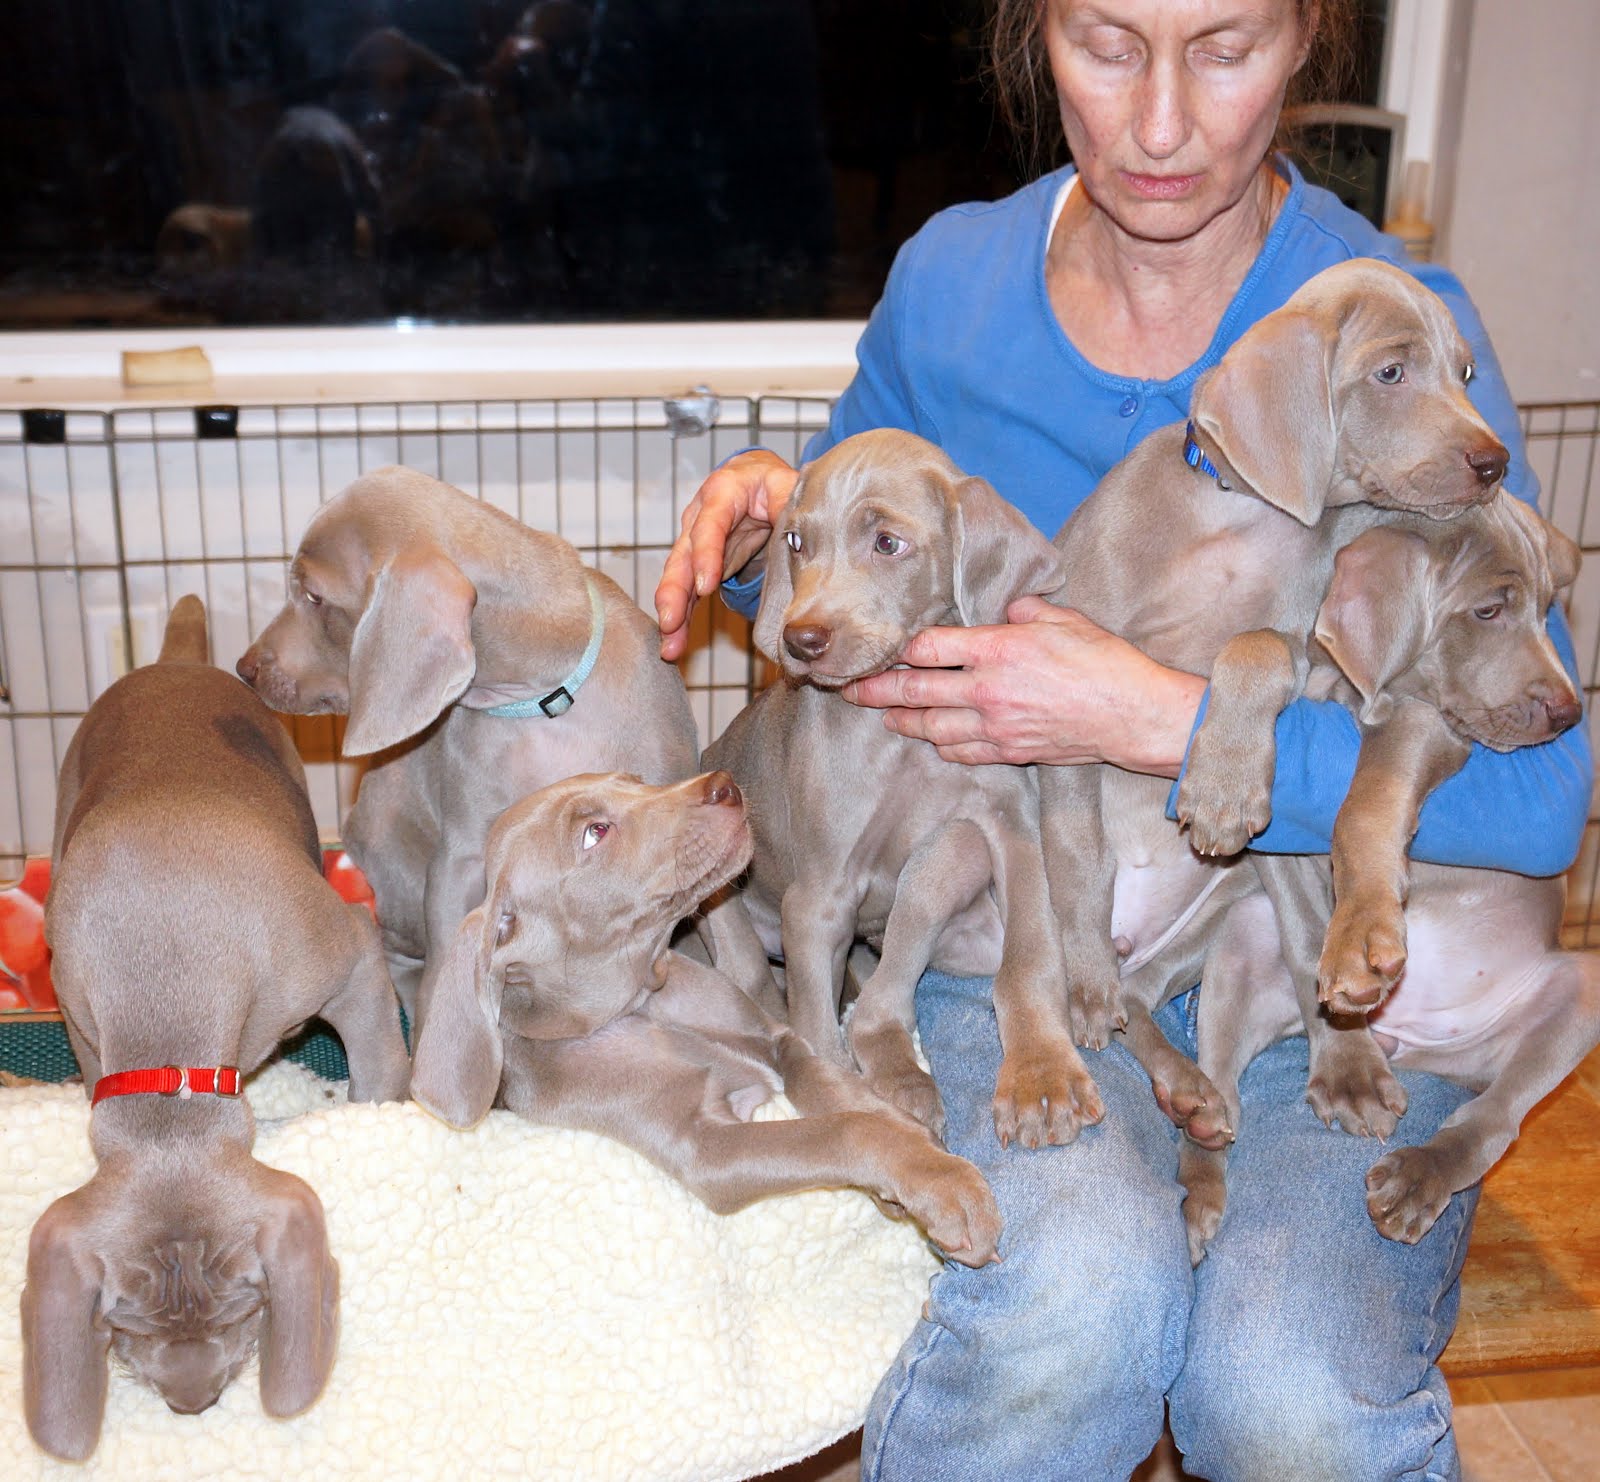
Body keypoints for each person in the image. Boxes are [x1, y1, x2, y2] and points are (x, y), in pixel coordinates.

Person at [654, 3, 1591, 1477]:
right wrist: (782, 536)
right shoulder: (950, 288)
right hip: (1014, 933)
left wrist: (1159, 720)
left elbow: (1540, 803)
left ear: (1307, 44)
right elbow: (863, 615)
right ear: (1032, 36)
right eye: (1107, 43)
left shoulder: (1392, 331)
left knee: (1296, 1397)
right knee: (1068, 1316)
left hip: (1312, 971)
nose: (1160, 123)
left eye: (1222, 49)